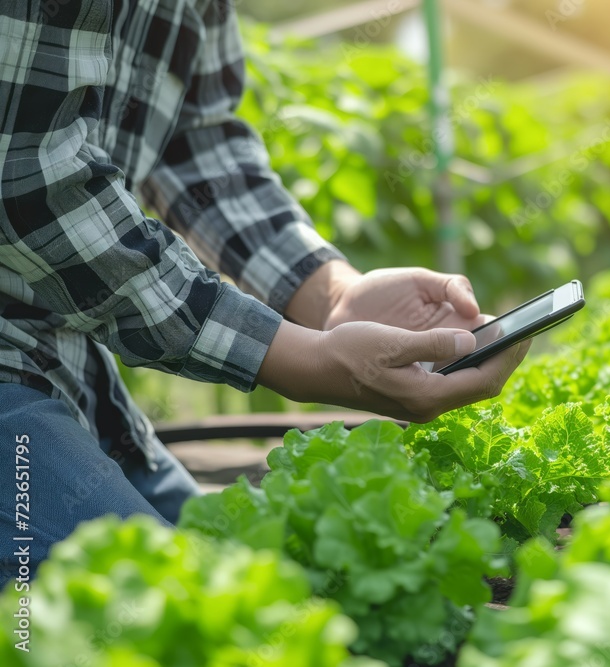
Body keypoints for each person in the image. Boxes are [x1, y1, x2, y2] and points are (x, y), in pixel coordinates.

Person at [0, 0, 529, 586]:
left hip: (73, 370)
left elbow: (195, 145)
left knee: (253, 580)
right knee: (179, 614)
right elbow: (27, 184)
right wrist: (296, 359)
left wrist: (333, 296)